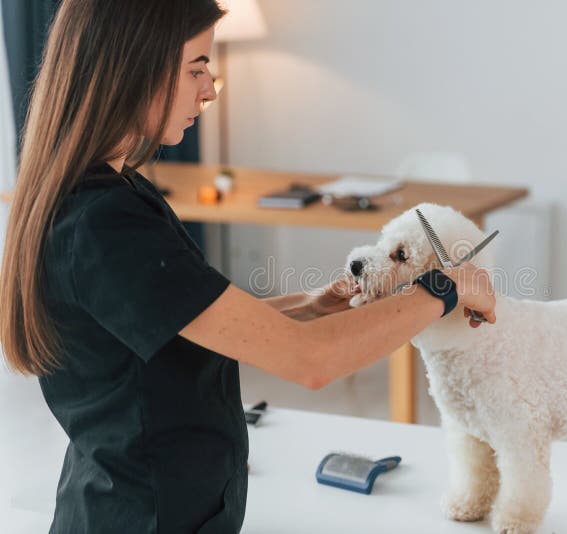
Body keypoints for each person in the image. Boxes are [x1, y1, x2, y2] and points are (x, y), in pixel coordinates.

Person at [0, 1, 496, 533]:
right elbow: (313, 362)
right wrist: (441, 290)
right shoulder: (104, 223)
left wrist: (308, 305)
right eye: (196, 69)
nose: (210, 90)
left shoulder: (116, 191)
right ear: (133, 64)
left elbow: (181, 322)